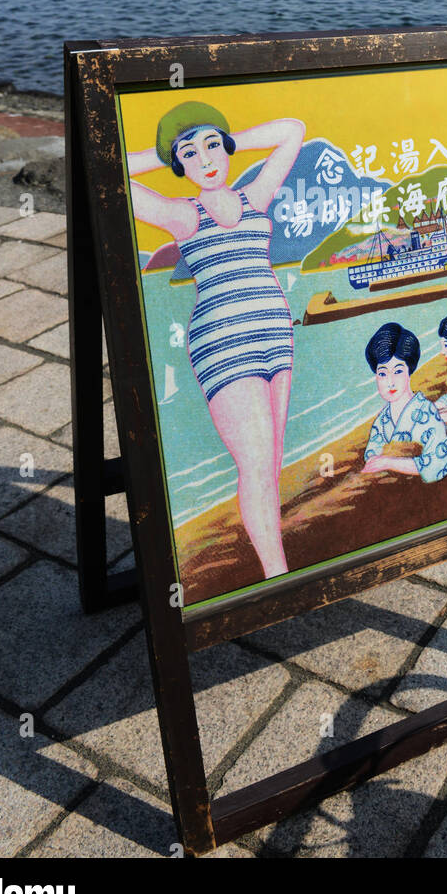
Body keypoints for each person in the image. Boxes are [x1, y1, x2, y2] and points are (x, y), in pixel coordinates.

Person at [127, 100, 304, 580]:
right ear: (177, 165)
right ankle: (276, 575)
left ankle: (276, 571)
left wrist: (227, 138)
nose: (206, 160)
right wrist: (166, 151)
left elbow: (293, 128)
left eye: (212, 147)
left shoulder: (254, 196)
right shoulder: (183, 214)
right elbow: (110, 171)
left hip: (275, 333)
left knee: (271, 462)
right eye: (190, 154)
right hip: (224, 343)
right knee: (255, 465)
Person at [361, 322, 447, 483]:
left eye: (397, 371)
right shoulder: (382, 420)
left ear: (409, 372)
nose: (390, 382)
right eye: (382, 373)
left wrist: (389, 462)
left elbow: (439, 463)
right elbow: (371, 455)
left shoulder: (426, 412)